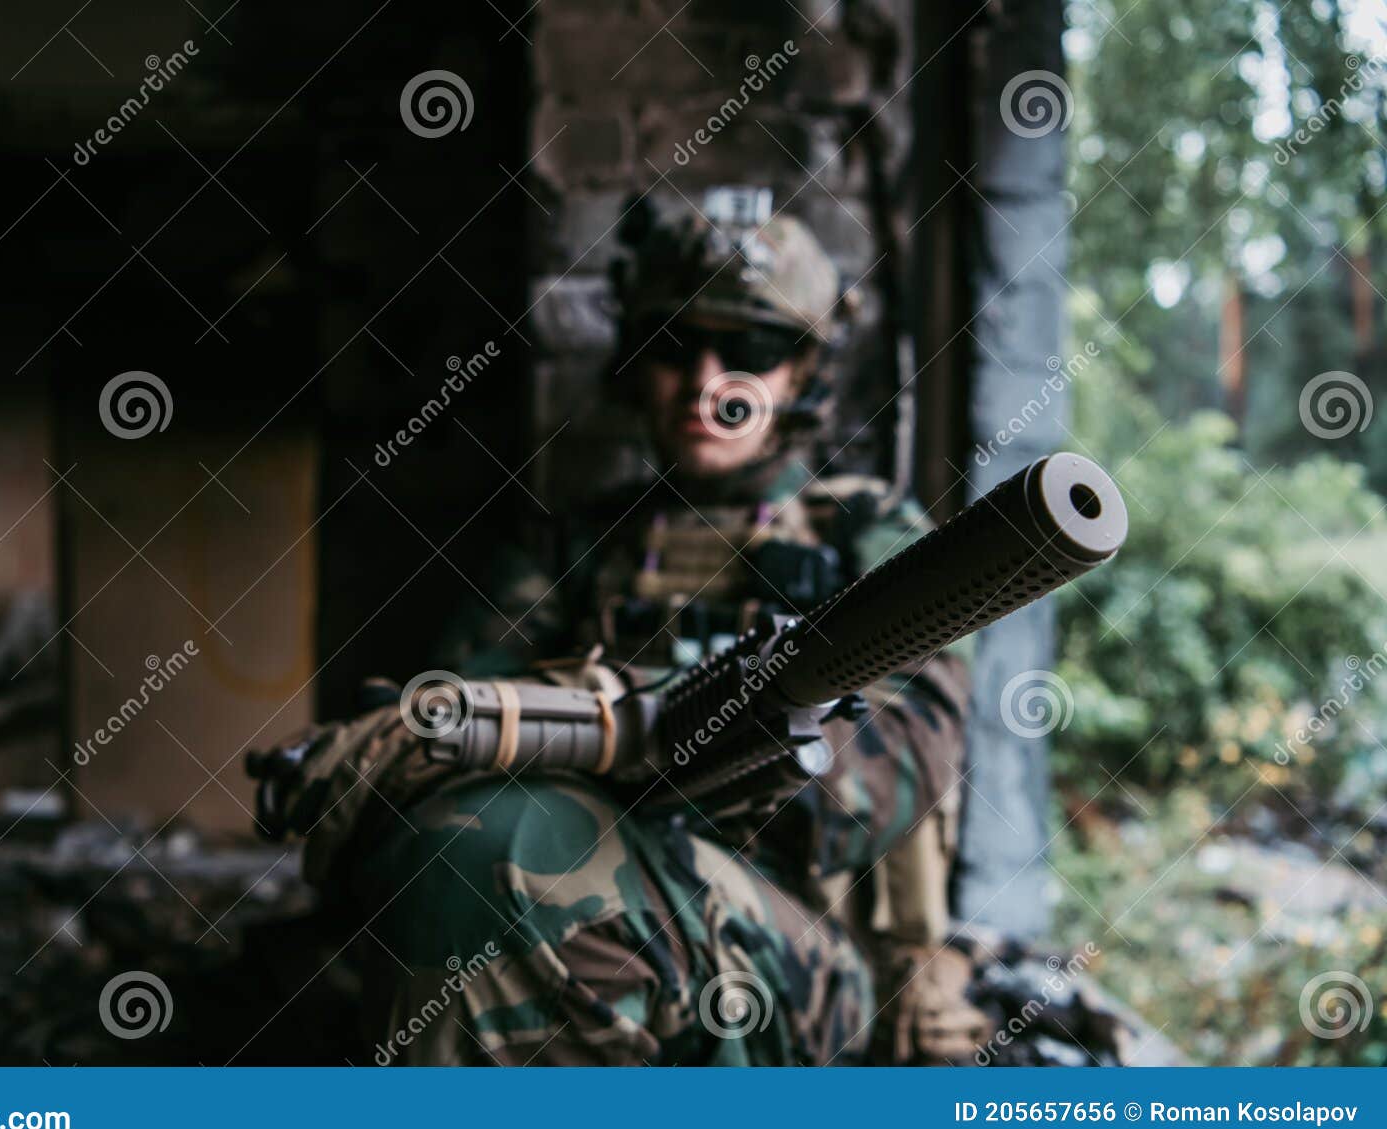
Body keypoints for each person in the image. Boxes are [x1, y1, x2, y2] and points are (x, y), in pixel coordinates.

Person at [249, 189, 990, 1065]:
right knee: (458, 851)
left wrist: (629, 728)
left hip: (798, 940)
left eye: (752, 350)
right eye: (674, 344)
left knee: (507, 857)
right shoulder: (576, 539)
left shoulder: (873, 539)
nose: (710, 382)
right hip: (581, 870)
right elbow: (453, 720)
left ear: (803, 373)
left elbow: (885, 785)